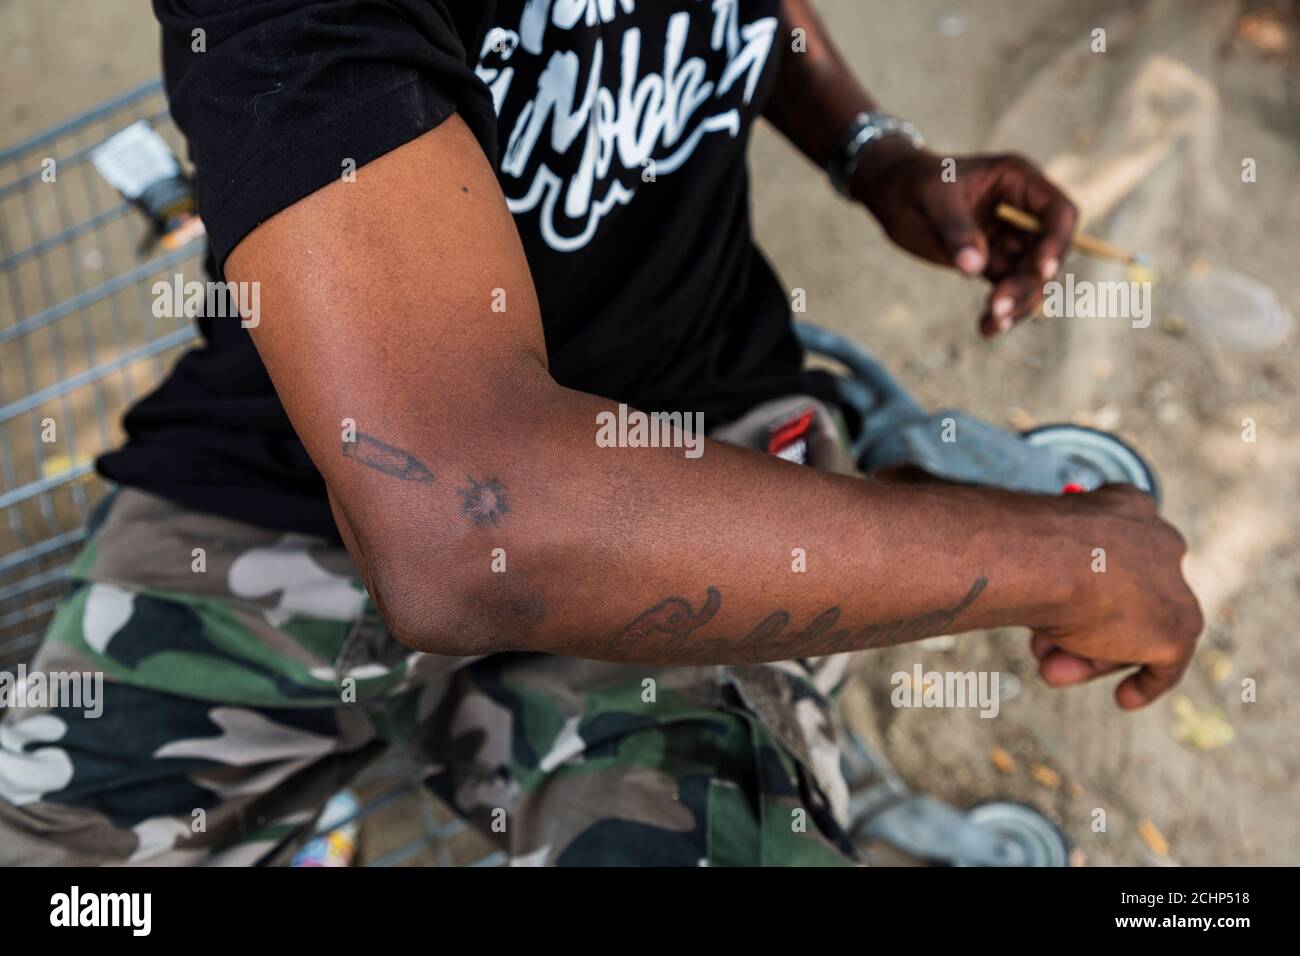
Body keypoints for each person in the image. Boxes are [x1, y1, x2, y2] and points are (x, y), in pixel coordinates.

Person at [0, 0, 1200, 866]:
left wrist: (865, 149)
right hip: (279, 497)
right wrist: (1070, 559)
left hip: (693, 459)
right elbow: (470, 523)